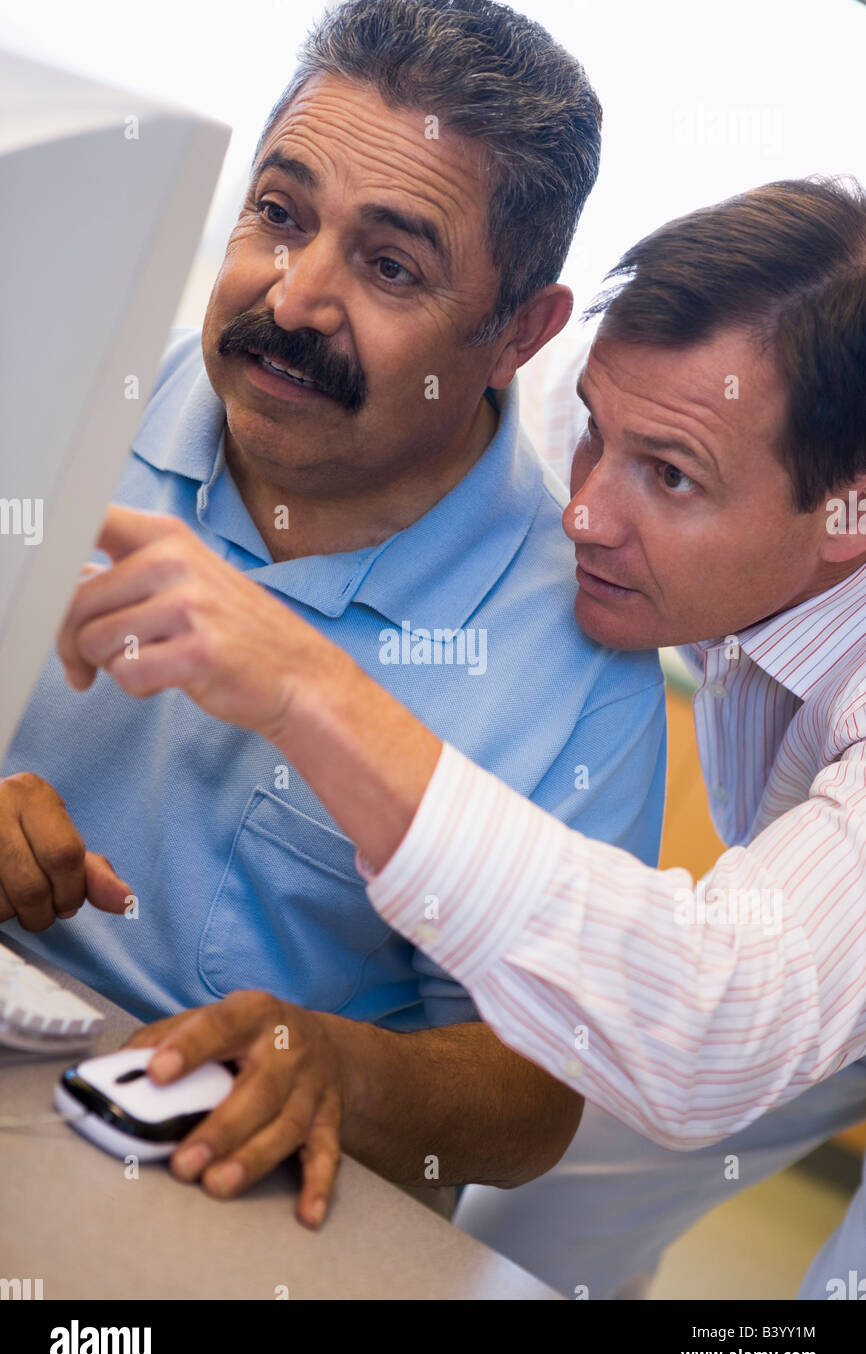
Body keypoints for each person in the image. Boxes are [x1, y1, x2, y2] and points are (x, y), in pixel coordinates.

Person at [53, 174, 866, 1299]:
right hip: (809, 925)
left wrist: (311, 689)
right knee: (536, 1250)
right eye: (596, 434)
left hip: (766, 961)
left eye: (669, 476)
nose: (583, 514)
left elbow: (711, 1022)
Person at [0, 0, 668, 1225]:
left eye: (389, 263)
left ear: (516, 333)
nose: (294, 296)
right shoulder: (72, 386)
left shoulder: (575, 665)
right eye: (278, 214)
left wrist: (340, 1067)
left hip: (213, 1184)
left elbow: (531, 1101)